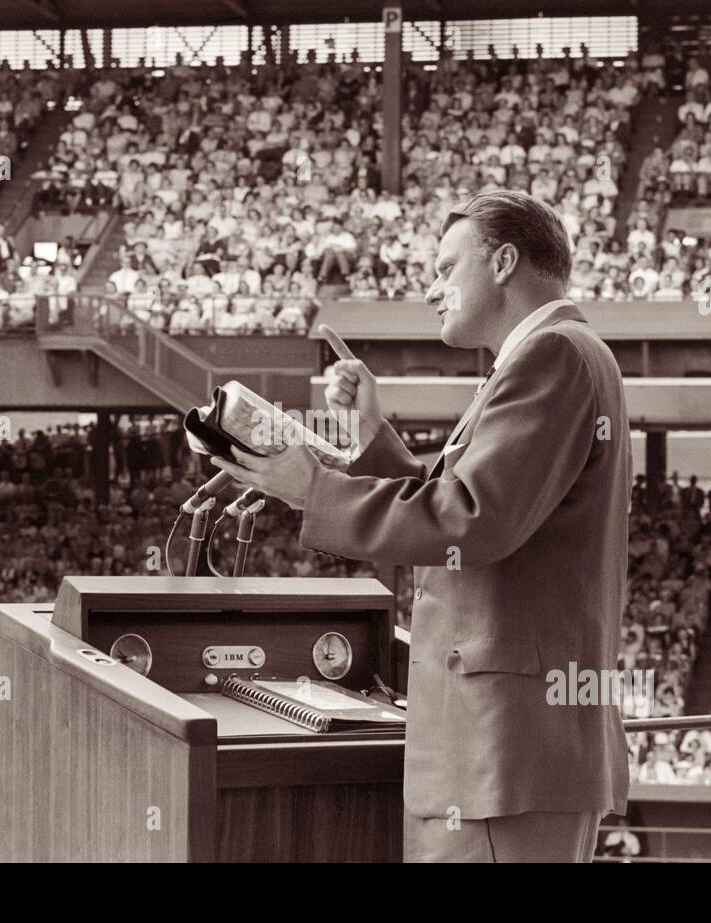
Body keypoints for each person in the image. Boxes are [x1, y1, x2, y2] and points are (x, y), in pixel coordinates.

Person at [213, 190, 631, 862]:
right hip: (504, 752)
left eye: (445, 268)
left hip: (504, 753)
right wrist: (372, 434)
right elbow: (460, 502)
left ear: (501, 262)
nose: (434, 289)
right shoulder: (556, 355)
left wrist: (312, 488)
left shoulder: (551, 356)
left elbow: (469, 521)